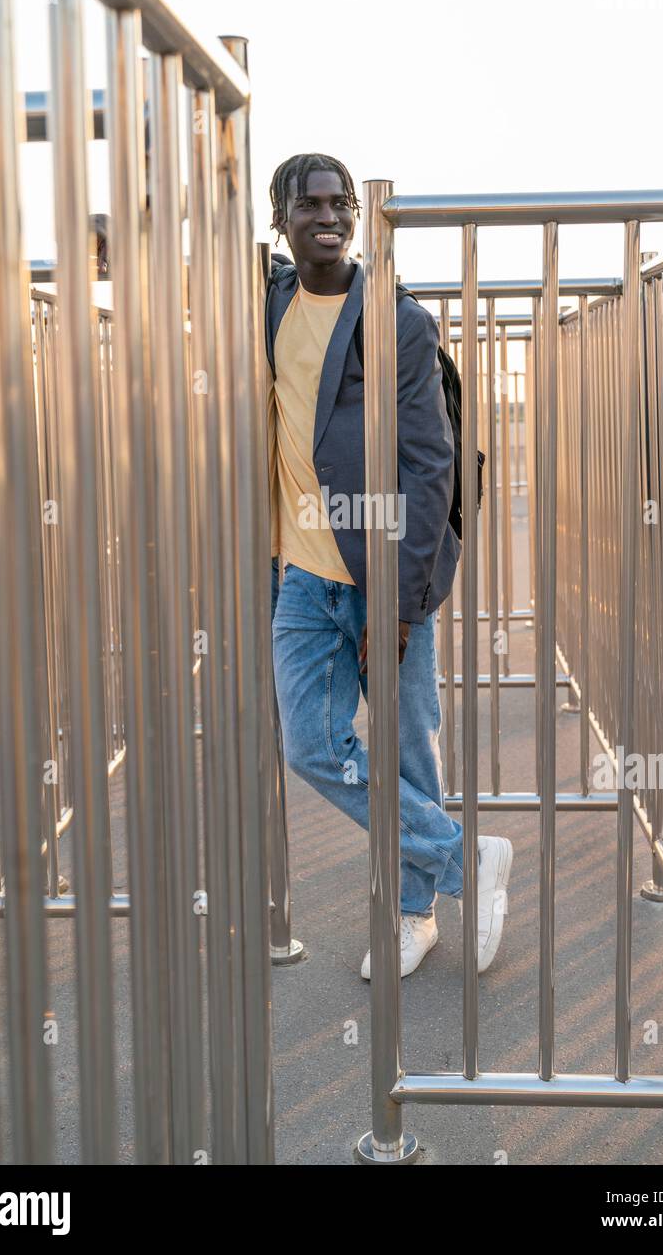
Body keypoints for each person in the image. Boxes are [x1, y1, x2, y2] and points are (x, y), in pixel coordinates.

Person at [265, 152, 512, 979]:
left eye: (341, 203)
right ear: (281, 218)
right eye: (310, 204)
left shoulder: (395, 319)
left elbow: (428, 463)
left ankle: (415, 916)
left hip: (385, 572)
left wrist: (397, 605)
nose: (329, 216)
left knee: (410, 750)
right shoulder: (267, 300)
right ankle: (462, 859)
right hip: (303, 572)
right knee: (310, 746)